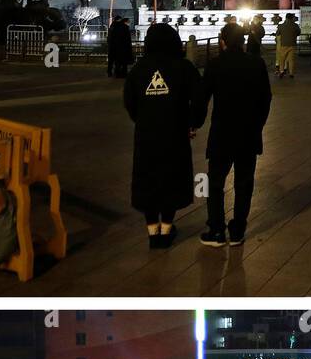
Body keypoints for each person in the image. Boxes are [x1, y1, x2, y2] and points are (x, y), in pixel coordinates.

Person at [123, 23, 201, 249]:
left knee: (148, 179)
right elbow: (198, 97)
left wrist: (142, 118)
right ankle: (166, 228)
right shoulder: (184, 67)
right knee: (171, 179)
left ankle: (152, 231)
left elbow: (129, 101)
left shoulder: (139, 69)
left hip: (146, 135)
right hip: (175, 133)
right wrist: (192, 123)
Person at [197, 20, 272, 248]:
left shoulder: (215, 64)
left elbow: (202, 98)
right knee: (244, 183)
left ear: (222, 41)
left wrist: (194, 123)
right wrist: (258, 125)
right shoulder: (256, 64)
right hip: (248, 134)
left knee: (215, 182)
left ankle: (216, 230)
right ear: (243, 41)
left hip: (222, 133)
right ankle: (238, 230)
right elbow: (266, 99)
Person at [107, 14, 134, 79]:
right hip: (122, 47)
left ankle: (112, 73)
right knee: (121, 61)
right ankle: (122, 73)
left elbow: (109, 38)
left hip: (113, 47)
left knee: (114, 61)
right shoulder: (124, 28)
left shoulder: (112, 27)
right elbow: (127, 39)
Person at [277, 13, 299, 79]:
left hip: (283, 44)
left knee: (282, 59)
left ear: (286, 18)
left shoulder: (281, 26)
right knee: (291, 59)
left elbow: (277, 33)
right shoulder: (295, 25)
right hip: (292, 44)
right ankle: (291, 73)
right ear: (292, 18)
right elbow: (298, 33)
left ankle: (281, 71)